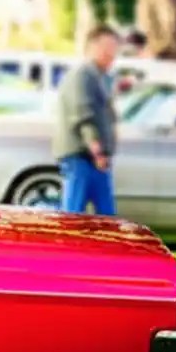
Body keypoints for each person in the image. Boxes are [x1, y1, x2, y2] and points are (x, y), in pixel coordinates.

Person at [53, 26, 120, 215]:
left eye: (114, 49)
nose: (112, 55)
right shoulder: (82, 75)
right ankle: (66, 244)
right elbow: (83, 116)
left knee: (107, 215)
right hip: (82, 156)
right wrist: (97, 150)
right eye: (107, 48)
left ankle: (108, 244)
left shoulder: (99, 76)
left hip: (96, 158)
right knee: (73, 212)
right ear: (93, 47)